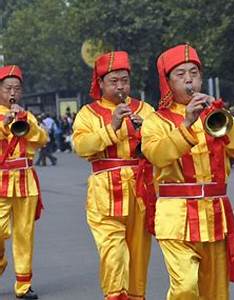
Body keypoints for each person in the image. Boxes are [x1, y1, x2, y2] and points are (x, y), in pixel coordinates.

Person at [141, 44, 234, 300]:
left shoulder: (213, 115)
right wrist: (187, 124)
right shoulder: (156, 121)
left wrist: (222, 116)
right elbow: (156, 154)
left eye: (194, 73)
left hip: (216, 214)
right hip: (176, 216)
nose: (189, 79)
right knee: (185, 288)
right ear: (168, 83)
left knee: (216, 292)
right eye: (180, 75)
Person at [72, 51, 154, 300]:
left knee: (139, 257)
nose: (120, 86)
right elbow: (81, 146)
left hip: (141, 190)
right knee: (114, 254)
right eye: (113, 81)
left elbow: (159, 146)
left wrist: (145, 131)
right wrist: (112, 127)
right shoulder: (88, 113)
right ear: (100, 84)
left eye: (124, 80)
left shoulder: (145, 109)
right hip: (105, 195)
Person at [0, 65, 48, 299]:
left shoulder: (26, 115)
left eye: (17, 89)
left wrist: (25, 125)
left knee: (24, 233)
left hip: (26, 180)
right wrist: (4, 123)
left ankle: (23, 284)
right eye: (8, 88)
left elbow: (43, 139)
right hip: (0, 180)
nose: (13, 92)